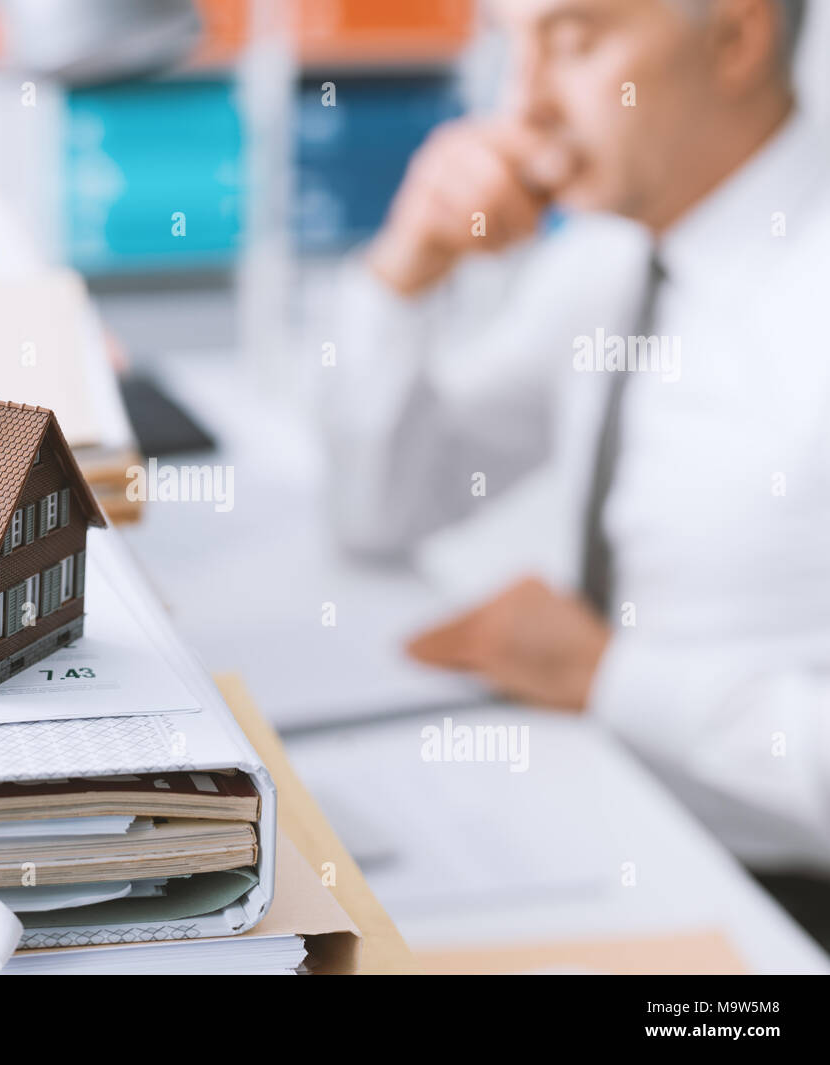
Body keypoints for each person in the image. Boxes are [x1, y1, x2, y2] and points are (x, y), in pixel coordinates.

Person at [322, 0, 830, 941]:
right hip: (600, 809)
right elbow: (384, 509)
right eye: (510, 46)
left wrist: (610, 676)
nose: (524, 105)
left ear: (736, 39)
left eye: (576, 40)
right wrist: (407, 268)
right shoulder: (613, 252)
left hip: (786, 905)